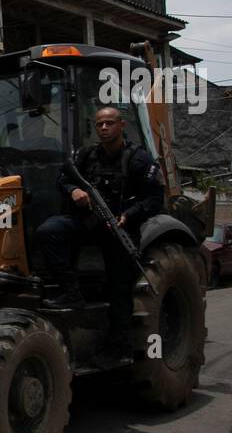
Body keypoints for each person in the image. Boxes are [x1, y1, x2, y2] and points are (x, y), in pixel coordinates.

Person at [35, 105, 165, 368]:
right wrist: (73, 191)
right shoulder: (86, 155)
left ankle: (120, 347)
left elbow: (154, 199)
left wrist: (129, 214)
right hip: (90, 222)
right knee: (50, 230)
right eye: (99, 124)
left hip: (120, 228)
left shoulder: (139, 159)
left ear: (121, 126)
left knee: (118, 289)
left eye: (109, 123)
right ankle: (71, 291)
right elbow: (63, 177)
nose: (104, 128)